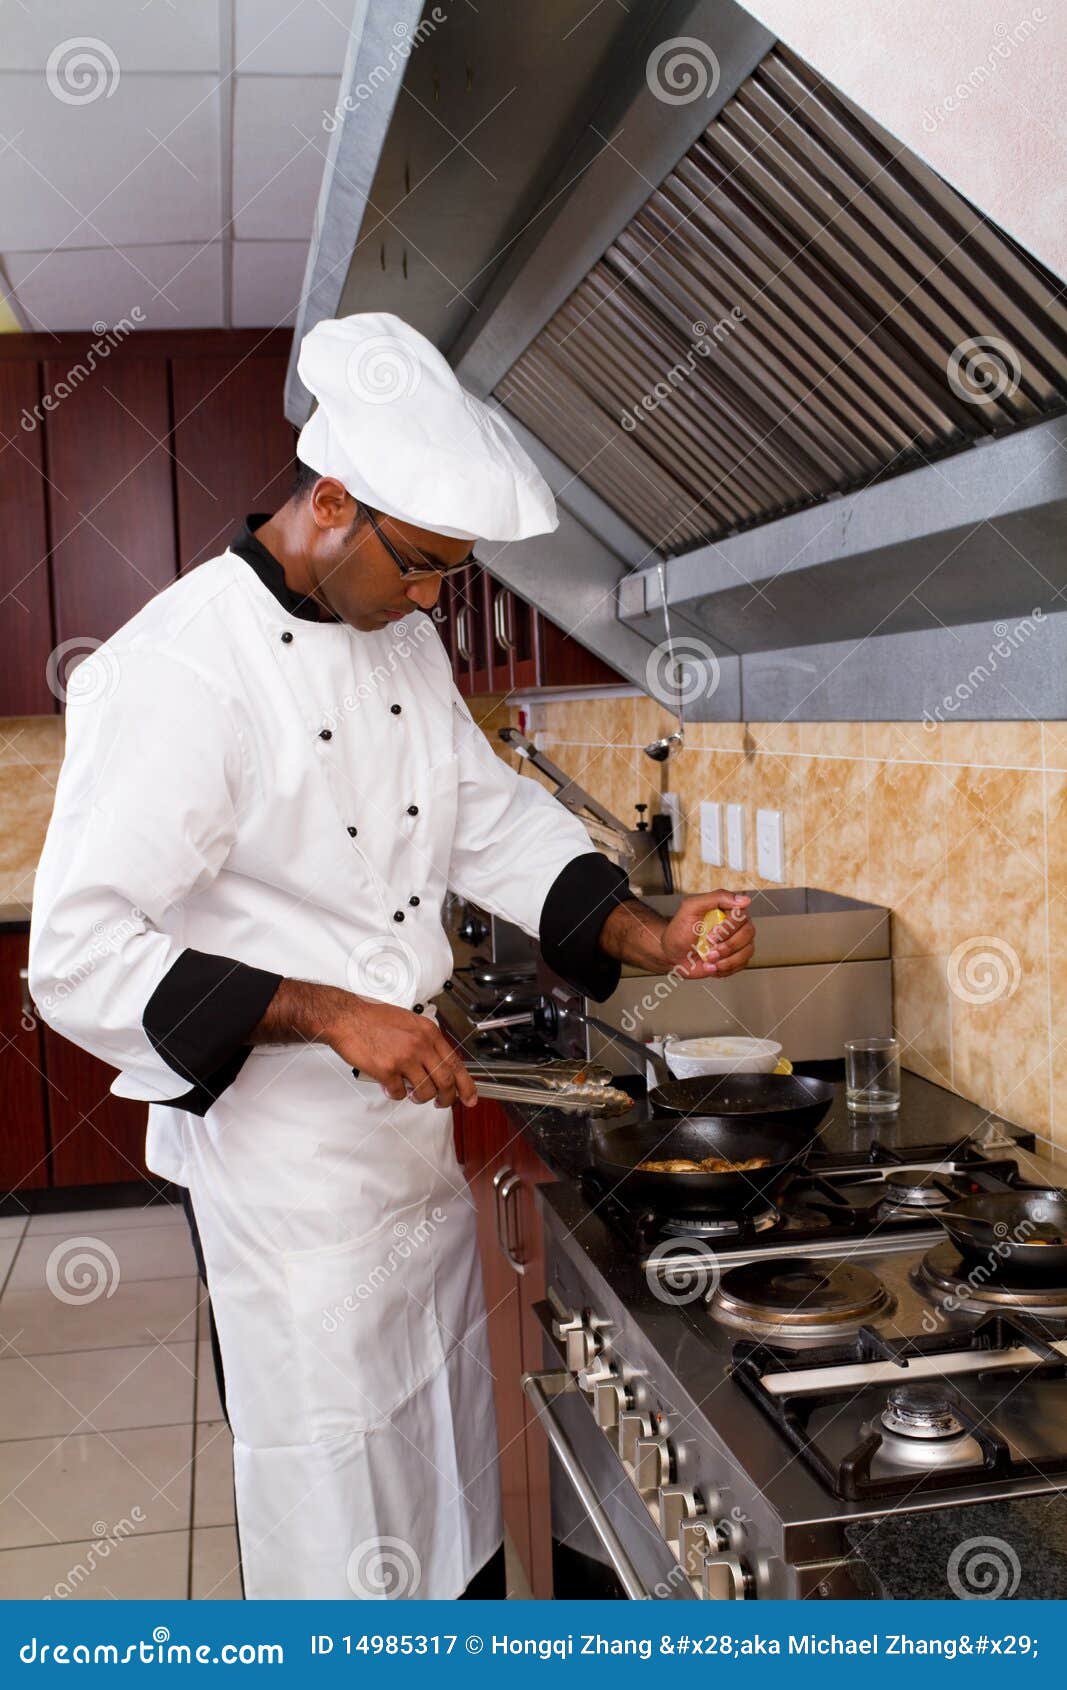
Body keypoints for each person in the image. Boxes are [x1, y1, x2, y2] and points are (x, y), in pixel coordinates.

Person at [29, 312, 755, 1600]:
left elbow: (483, 815)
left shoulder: (398, 635)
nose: (432, 602)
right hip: (283, 1157)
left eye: (449, 578)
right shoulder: (177, 669)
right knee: (332, 1470)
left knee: (439, 1448)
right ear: (329, 501)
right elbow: (77, 956)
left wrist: (642, 926)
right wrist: (326, 1011)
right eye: (420, 567)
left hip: (404, 1131)